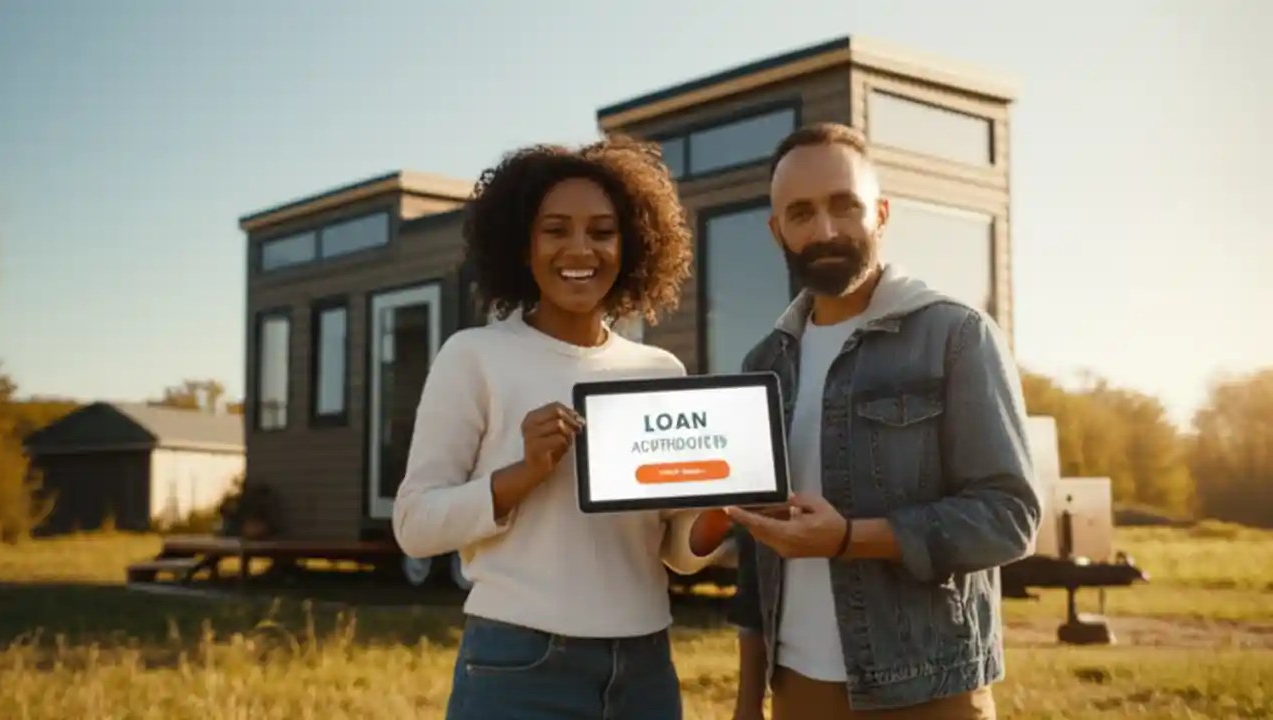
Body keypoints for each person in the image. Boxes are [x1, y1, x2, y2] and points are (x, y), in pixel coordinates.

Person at [709, 122, 1043, 719]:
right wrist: (747, 698)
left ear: (881, 214)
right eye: (802, 213)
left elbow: (1010, 517)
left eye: (845, 206)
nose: (825, 231)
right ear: (777, 230)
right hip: (798, 692)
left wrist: (848, 539)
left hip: (929, 689)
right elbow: (757, 552)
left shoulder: (956, 336)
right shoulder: (764, 364)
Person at [391, 136, 726, 720]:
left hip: (645, 669)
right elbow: (414, 524)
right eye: (555, 230)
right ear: (523, 246)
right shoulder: (474, 357)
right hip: (518, 666)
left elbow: (674, 549)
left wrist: (723, 510)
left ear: (630, 246)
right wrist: (521, 476)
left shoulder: (659, 371)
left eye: (602, 231)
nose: (580, 249)